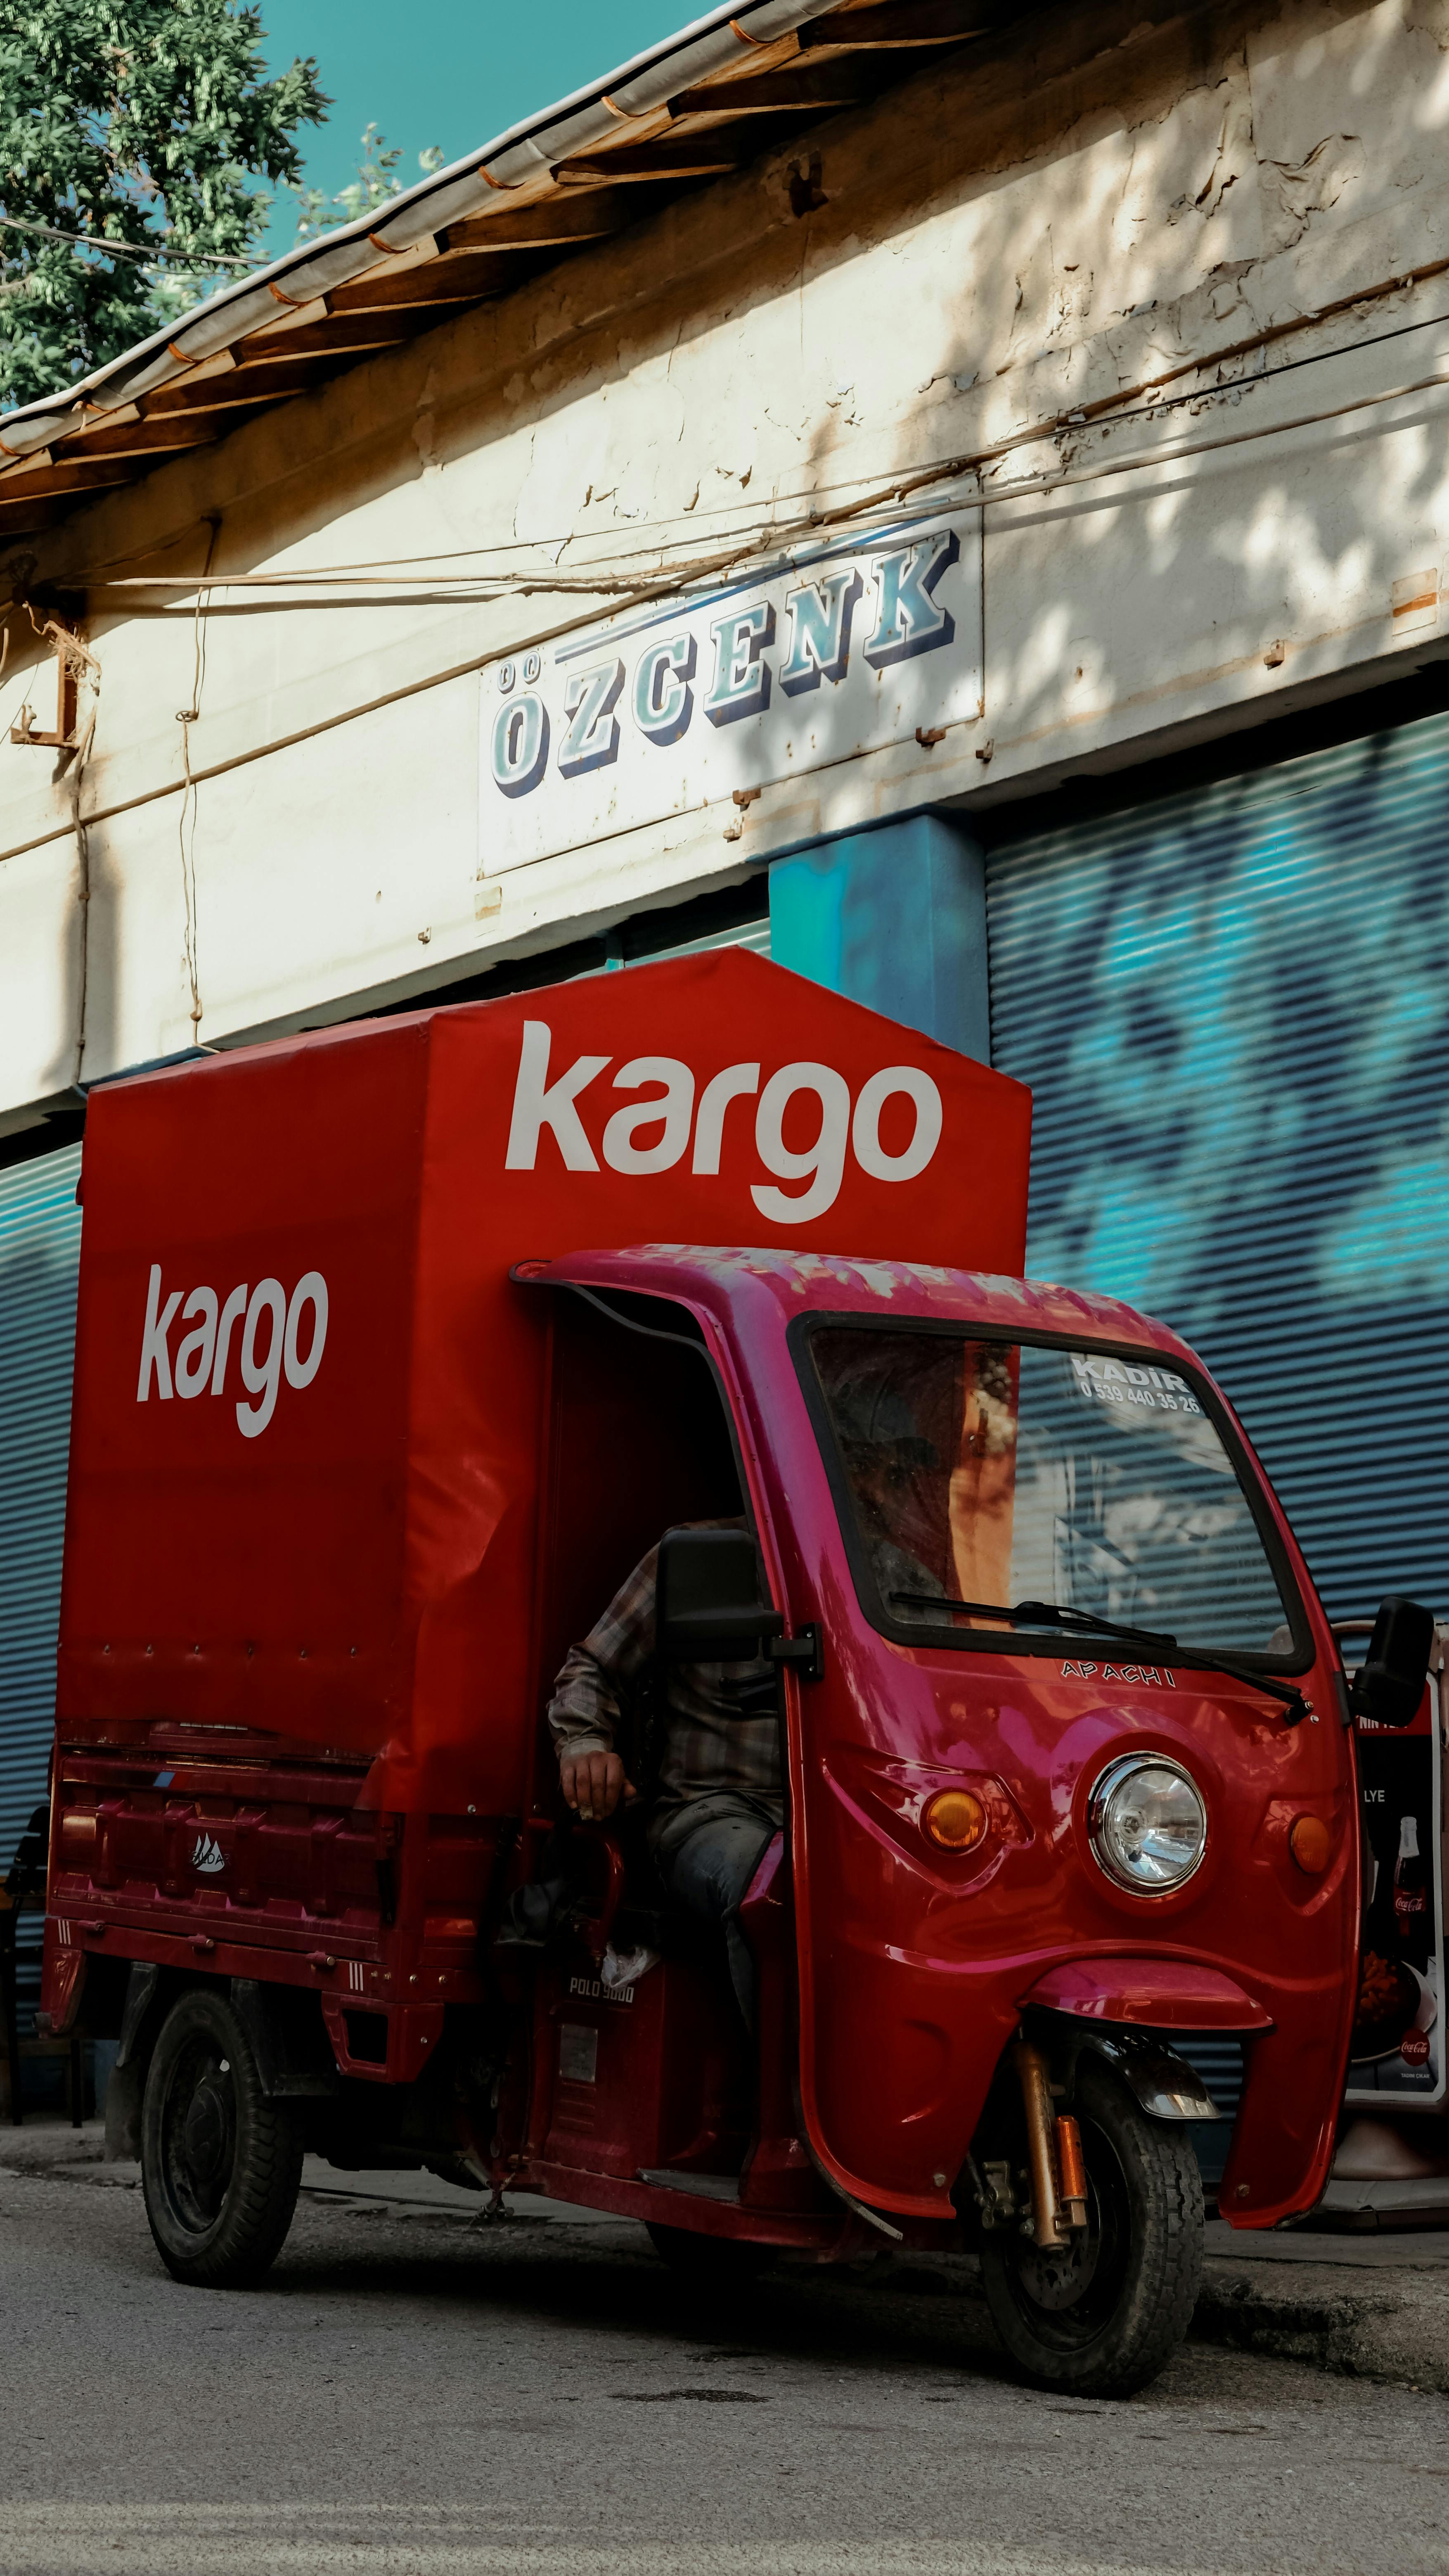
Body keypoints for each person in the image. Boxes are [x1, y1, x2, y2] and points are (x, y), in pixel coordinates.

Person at [547, 1518, 781, 2028]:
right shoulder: (699, 1557)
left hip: (841, 1819)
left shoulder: (889, 1574)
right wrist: (585, 1746)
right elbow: (592, 1668)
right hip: (715, 1813)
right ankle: (792, 2074)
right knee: (771, 1880)